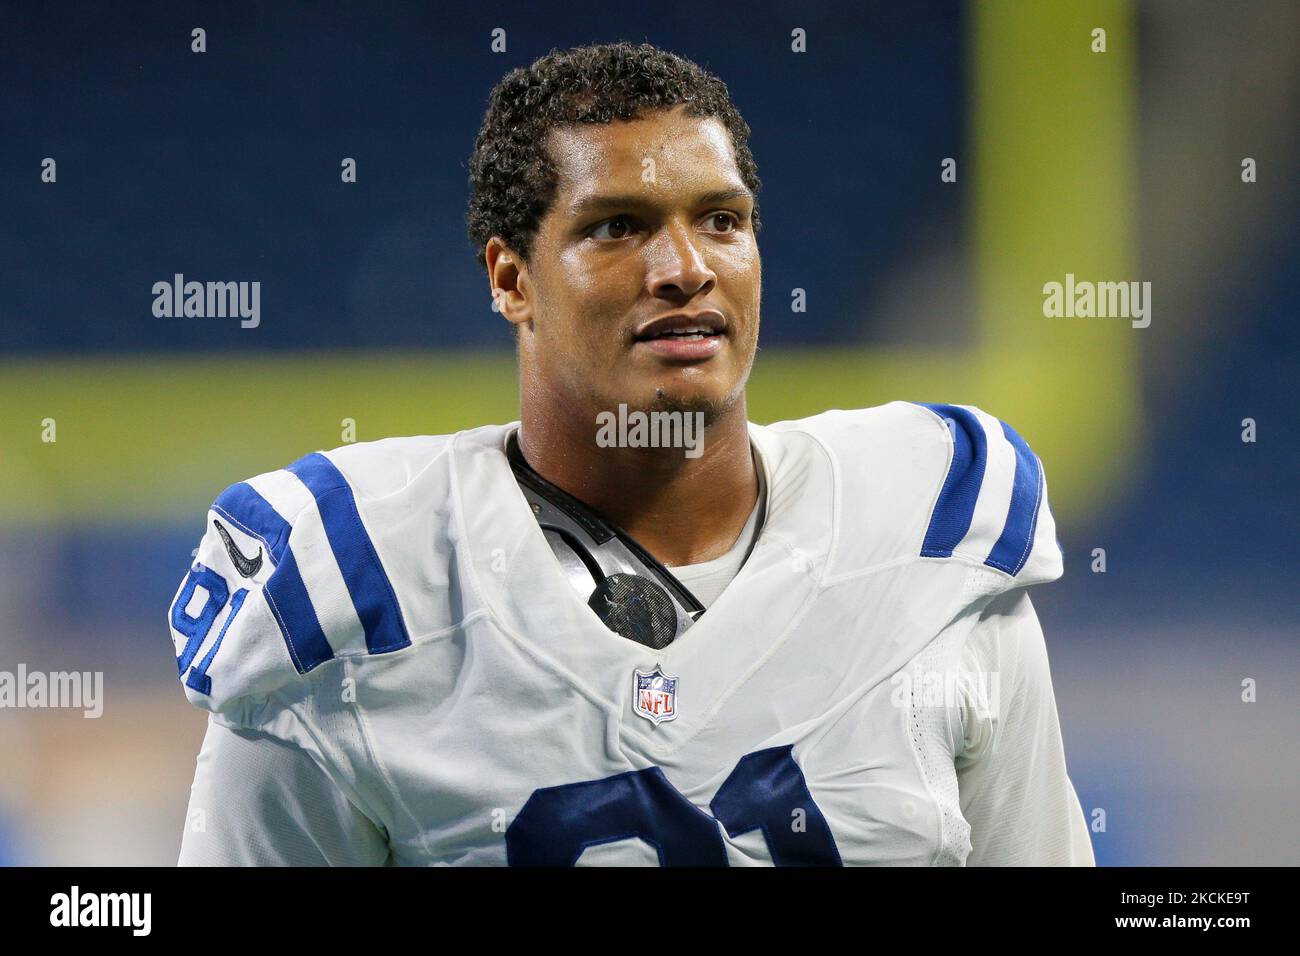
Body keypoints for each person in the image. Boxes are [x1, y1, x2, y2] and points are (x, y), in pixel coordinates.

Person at [169, 41, 1093, 866]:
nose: (686, 266)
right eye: (619, 227)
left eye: (722, 220)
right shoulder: (355, 591)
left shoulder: (929, 544)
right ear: (511, 279)